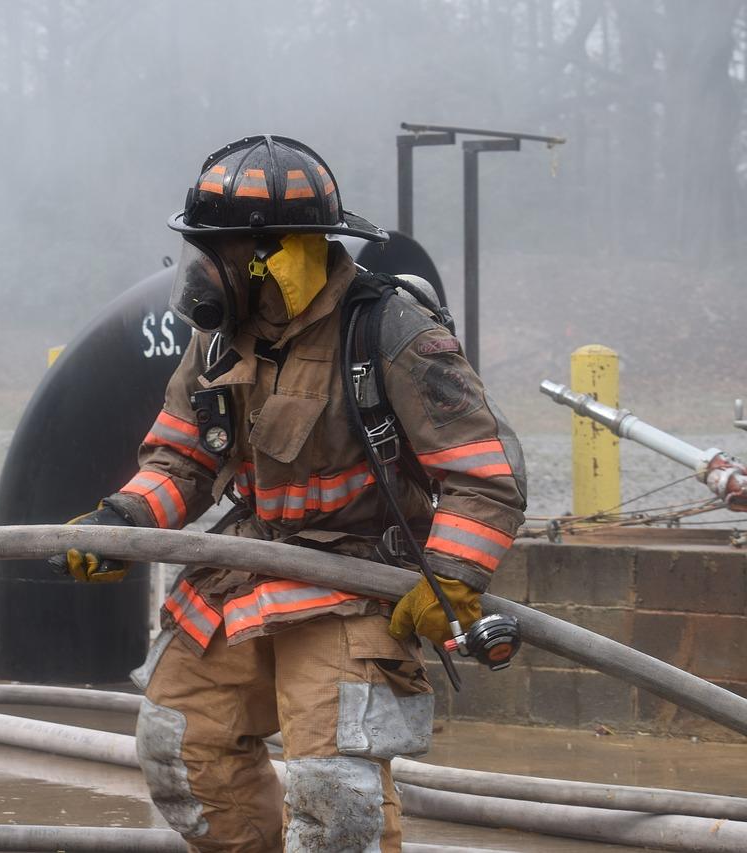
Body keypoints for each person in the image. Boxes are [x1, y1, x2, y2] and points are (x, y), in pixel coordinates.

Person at [53, 135, 527, 852]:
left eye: (220, 251)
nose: (204, 272)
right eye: (199, 252)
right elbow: (182, 458)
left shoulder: (389, 331)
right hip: (247, 573)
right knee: (180, 745)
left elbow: (483, 473)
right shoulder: (219, 341)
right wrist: (122, 521)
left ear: (277, 252)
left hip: (355, 579)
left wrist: (454, 576)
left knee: (335, 793)